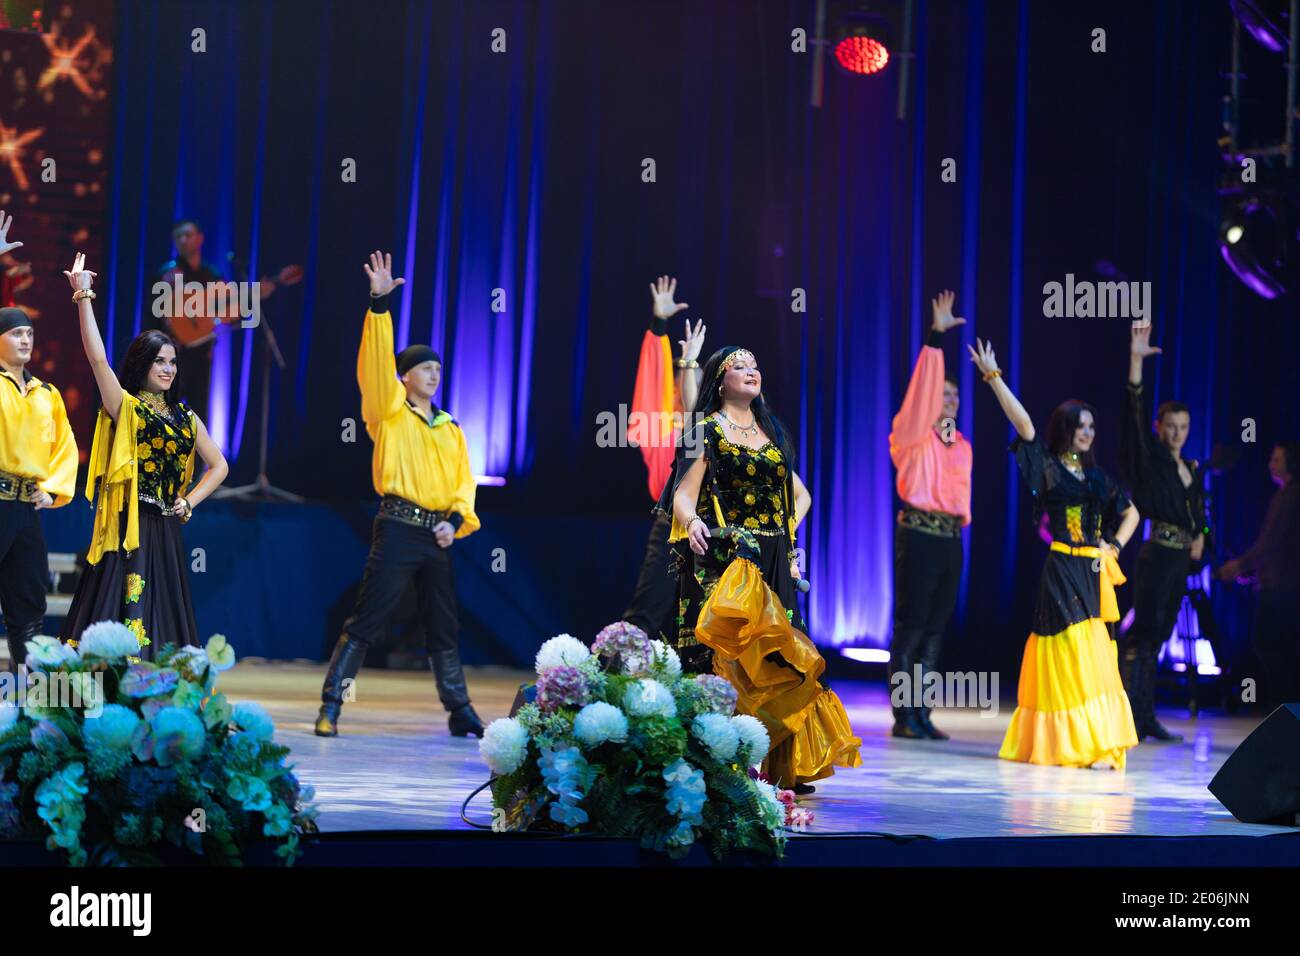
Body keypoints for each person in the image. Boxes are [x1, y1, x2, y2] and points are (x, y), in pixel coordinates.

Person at [657, 344, 861, 792]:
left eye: (755, 365)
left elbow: (801, 495)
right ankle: (720, 759)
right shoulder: (705, 431)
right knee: (735, 656)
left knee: (781, 658)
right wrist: (692, 522)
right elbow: (683, 493)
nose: (752, 371)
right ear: (720, 380)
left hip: (773, 558)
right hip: (733, 557)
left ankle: (779, 765)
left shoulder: (771, 432)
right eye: (739, 367)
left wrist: (785, 534)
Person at [315, 251, 484, 738]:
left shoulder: (450, 427)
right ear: (404, 377)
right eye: (423, 368)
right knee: (368, 619)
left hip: (437, 534)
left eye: (436, 368)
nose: (433, 374)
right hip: (397, 526)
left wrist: (456, 519)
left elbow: (462, 481)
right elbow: (373, 367)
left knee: (443, 625)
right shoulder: (388, 412)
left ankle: (459, 710)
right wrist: (380, 306)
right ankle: (332, 705)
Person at [968, 338, 1141, 769]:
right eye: (1081, 426)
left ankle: (1096, 740)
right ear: (1066, 428)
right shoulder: (1048, 468)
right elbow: (1023, 423)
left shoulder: (1099, 479)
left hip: (1092, 570)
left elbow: (1133, 513)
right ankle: (1069, 743)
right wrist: (994, 377)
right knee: (1068, 652)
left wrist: (1114, 546)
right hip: (1061, 568)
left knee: (1096, 656)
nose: (1088, 432)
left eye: (1092, 427)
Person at [59, 254, 229, 656]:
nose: (168, 369)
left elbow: (219, 465)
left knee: (166, 614)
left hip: (165, 529)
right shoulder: (127, 406)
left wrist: (189, 501)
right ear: (143, 364)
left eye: (172, 362)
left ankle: (161, 695)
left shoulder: (186, 417)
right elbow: (98, 359)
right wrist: (83, 295)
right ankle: (107, 693)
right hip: (127, 524)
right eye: (159, 361)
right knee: (121, 608)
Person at [886, 290, 972, 740]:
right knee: (913, 626)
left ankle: (922, 712)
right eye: (944, 394)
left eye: (956, 395)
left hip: (949, 541)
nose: (951, 401)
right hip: (917, 536)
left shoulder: (964, 448)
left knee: (935, 630)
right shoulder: (912, 437)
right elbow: (923, 391)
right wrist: (936, 336)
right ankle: (904, 716)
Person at [1118, 322, 1203, 741]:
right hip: (1156, 553)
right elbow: (1133, 416)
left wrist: (1201, 533)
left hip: (1179, 559)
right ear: (1160, 426)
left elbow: (1201, 512)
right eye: (1171, 426)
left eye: (1184, 427)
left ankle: (1144, 715)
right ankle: (1128, 714)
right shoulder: (1153, 461)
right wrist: (1136, 359)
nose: (1177, 434)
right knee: (1144, 632)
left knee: (1159, 638)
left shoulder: (1191, 468)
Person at [0, 211, 78, 671]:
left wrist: (52, 489)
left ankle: (29, 696)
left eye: (30, 332)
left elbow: (64, 447)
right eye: (15, 332)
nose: (26, 339)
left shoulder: (46, 393)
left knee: (27, 604)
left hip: (25, 509)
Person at [149, 218, 301, 423]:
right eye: (178, 236)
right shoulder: (167, 274)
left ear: (200, 238)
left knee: (198, 416)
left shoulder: (212, 275)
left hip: (202, 353)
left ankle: (197, 455)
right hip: (171, 354)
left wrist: (257, 294)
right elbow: (157, 315)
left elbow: (228, 313)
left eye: (188, 235)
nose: (183, 240)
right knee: (165, 413)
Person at [621, 275, 704, 641]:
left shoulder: (722, 426)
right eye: (686, 375)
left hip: (715, 528)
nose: (691, 383)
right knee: (647, 613)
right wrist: (659, 327)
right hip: (672, 523)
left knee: (704, 625)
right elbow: (650, 379)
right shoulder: (660, 425)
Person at [1219, 442, 1300, 706]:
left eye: (1276, 460)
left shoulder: (1289, 496)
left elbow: (1271, 542)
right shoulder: (1286, 495)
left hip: (1282, 587)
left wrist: (1239, 566)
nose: (1270, 465)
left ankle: (1285, 707)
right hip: (1279, 583)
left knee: (1269, 643)